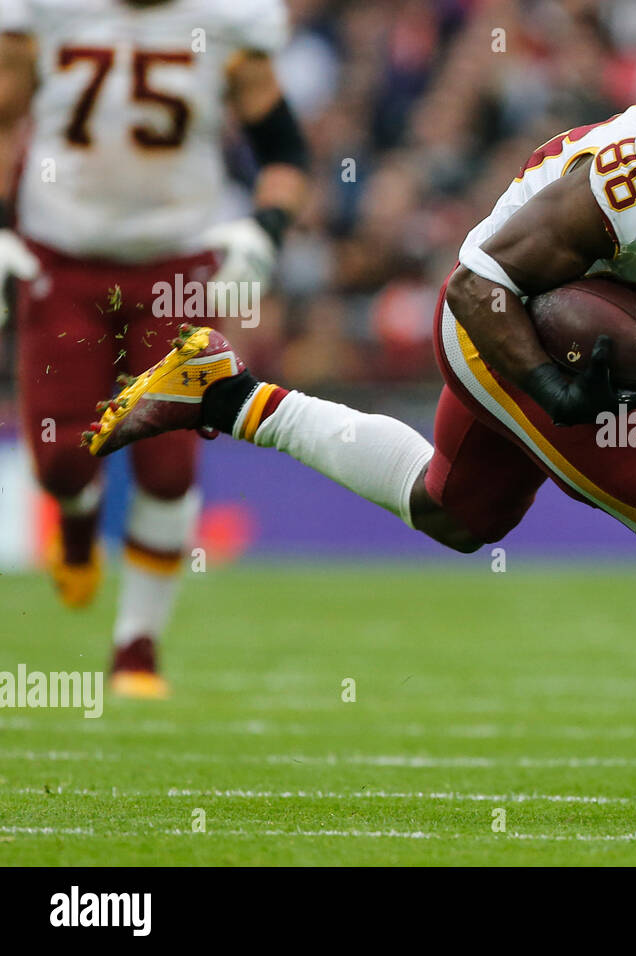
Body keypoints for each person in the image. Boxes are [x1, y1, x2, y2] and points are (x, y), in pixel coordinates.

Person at [86, 28, 636, 823]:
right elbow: (473, 282)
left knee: (454, 513)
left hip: (561, 324)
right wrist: (546, 387)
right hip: (502, 312)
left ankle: (222, 394)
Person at [0, 0, 308, 697]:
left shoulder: (228, 20)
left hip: (176, 265)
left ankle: (137, 648)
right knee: (60, 460)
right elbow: (3, 113)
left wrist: (266, 227)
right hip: (63, 257)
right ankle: (76, 526)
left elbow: (284, 149)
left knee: (169, 465)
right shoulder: (50, 11)